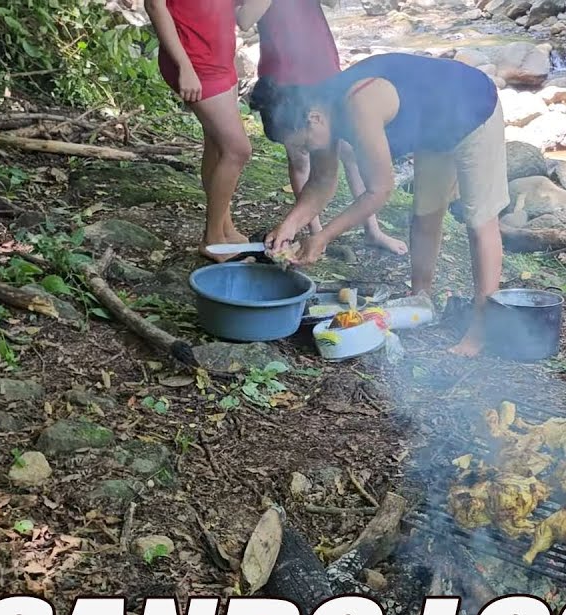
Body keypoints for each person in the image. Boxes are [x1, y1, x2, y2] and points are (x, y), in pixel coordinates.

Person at [259, 52, 509, 357]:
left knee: (480, 222)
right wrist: (289, 225)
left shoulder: (358, 104)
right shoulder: (320, 112)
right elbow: (322, 183)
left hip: (473, 109)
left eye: (301, 143)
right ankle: (421, 299)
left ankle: (483, 326)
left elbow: (379, 190)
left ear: (313, 119)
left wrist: (323, 237)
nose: (303, 151)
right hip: (434, 127)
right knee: (425, 216)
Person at [247, 0, 405, 256]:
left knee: (351, 149)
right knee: (302, 157)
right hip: (285, 78)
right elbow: (243, 19)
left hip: (321, 66)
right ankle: (308, 234)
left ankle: (371, 229)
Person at [146, 0, 267, 262]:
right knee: (237, 150)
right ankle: (212, 240)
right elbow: (155, 5)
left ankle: (225, 228)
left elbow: (243, 18)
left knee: (217, 144)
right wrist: (184, 66)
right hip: (194, 62)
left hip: (221, 60)